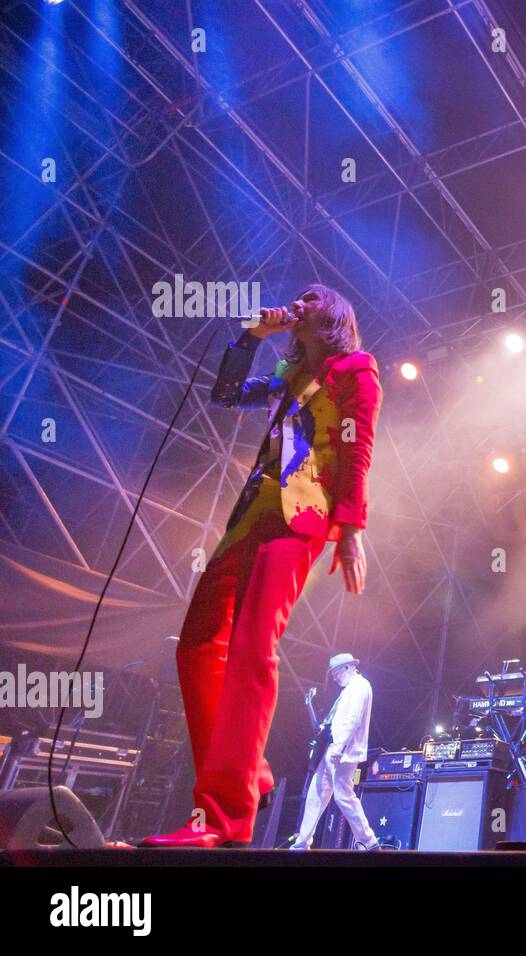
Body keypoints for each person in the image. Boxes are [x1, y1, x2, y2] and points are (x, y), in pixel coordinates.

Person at [143, 286, 382, 848]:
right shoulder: (284, 373)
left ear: (331, 316)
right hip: (251, 514)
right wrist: (250, 337)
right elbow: (225, 393)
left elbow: (358, 447)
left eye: (309, 297)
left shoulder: (356, 369)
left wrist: (350, 530)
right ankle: (248, 774)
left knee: (252, 649)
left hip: (302, 517)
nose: (296, 301)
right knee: (198, 644)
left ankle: (224, 816)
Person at [290, 654, 379, 850]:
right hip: (333, 750)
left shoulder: (359, 687)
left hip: (342, 752)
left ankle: (368, 840)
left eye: (336, 672)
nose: (334, 677)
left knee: (343, 796)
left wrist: (338, 748)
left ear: (348, 667)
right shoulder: (350, 689)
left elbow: (352, 721)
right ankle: (302, 843)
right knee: (316, 794)